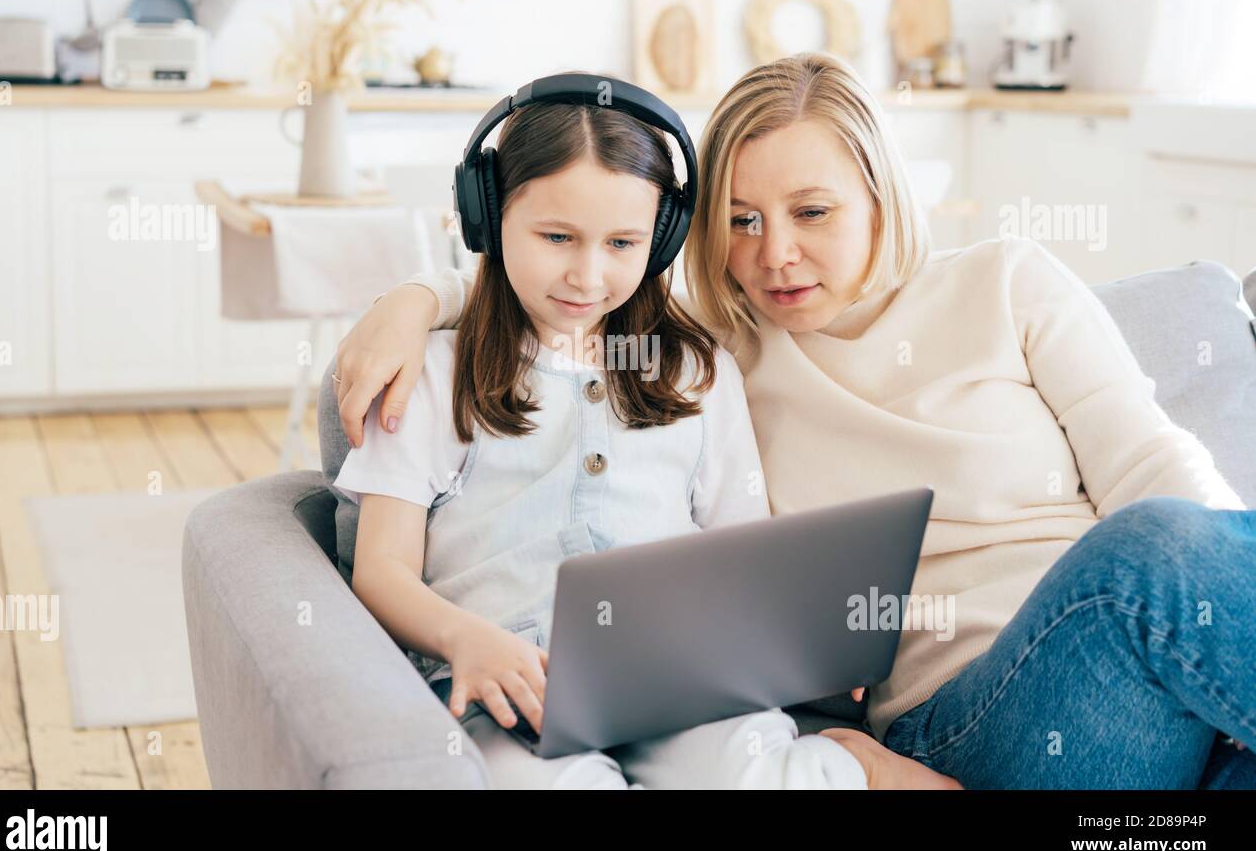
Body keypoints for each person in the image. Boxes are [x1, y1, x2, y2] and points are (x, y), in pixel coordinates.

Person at [336, 53, 1256, 789]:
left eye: (812, 211)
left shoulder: (1007, 283)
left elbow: (1152, 464)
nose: (774, 255)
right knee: (1153, 556)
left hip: (1153, 690)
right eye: (739, 221)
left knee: (1173, 550)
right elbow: (573, 296)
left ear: (879, 193)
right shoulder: (724, 356)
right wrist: (421, 296)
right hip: (973, 721)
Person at [331, 73, 959, 789]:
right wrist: (463, 638)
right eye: (556, 236)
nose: (587, 274)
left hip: (683, 683)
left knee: (756, 777)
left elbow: (743, 554)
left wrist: (796, 647)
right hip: (510, 693)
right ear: (487, 215)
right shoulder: (432, 374)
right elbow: (379, 570)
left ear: (661, 240)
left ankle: (842, 765)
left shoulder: (697, 371)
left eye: (623, 242)